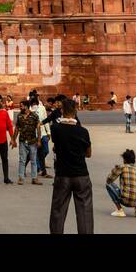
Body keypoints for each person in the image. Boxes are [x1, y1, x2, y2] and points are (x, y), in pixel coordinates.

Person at [48, 98, 93, 234]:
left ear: (62, 111)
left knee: (58, 211)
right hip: (81, 175)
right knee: (84, 212)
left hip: (63, 174)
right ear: (75, 111)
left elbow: (57, 145)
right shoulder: (83, 131)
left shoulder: (55, 129)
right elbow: (88, 153)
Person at [105, 149, 136, 218]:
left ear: (125, 160)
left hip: (125, 200)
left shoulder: (122, 167)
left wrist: (115, 170)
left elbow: (109, 180)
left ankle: (120, 210)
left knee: (109, 185)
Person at [14, 100, 42, 185]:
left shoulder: (34, 116)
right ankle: (21, 178)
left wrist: (39, 140)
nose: (20, 107)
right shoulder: (19, 116)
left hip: (32, 141)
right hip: (22, 141)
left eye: (21, 106)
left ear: (26, 106)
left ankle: (34, 178)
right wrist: (13, 139)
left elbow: (38, 128)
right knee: (22, 160)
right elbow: (17, 129)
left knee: (33, 160)